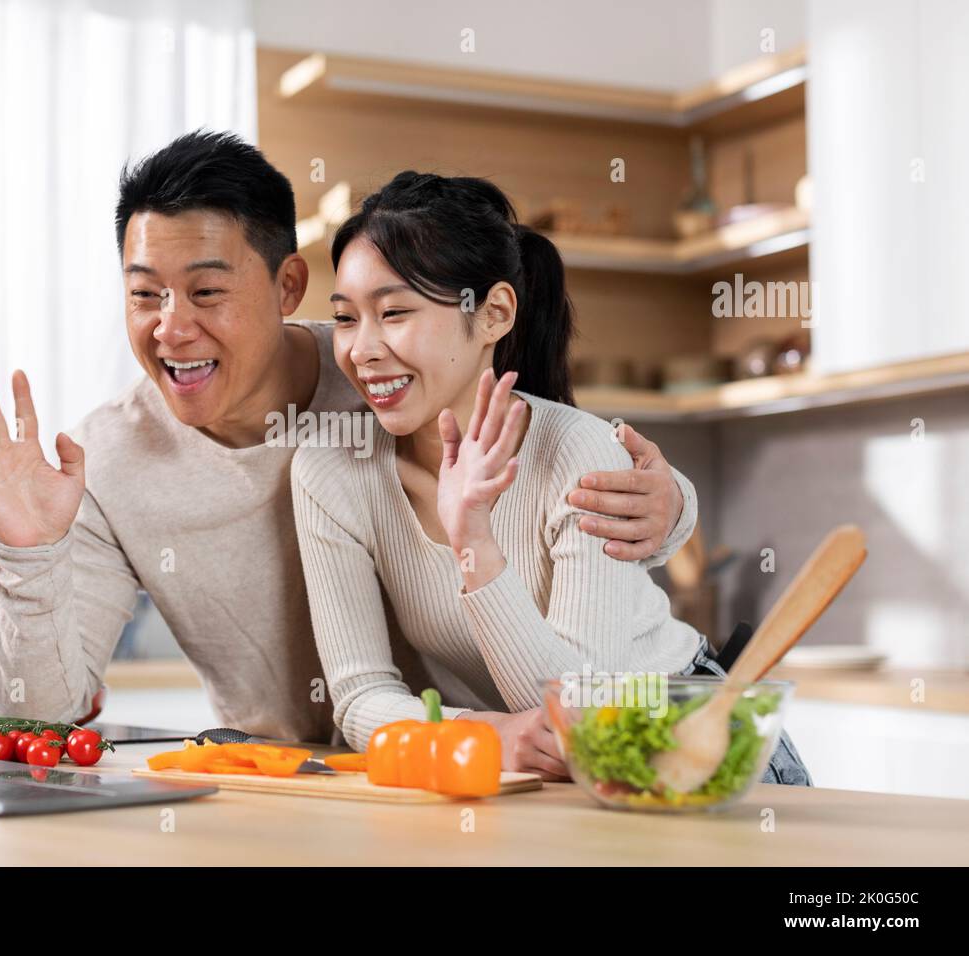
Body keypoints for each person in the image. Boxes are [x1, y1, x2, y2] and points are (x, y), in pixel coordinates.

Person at [0, 131, 700, 746]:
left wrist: (671, 512)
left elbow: (550, 453)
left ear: (287, 287)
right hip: (343, 770)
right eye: (144, 294)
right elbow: (37, 712)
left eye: (206, 291)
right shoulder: (111, 462)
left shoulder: (386, 384)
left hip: (496, 757)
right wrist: (28, 556)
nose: (171, 326)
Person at [291, 170, 812, 785]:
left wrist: (474, 543)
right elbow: (360, 697)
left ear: (494, 314)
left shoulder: (578, 451)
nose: (362, 349)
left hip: (696, 746)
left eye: (395, 312)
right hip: (550, 777)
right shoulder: (330, 471)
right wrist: (487, 735)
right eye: (346, 319)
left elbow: (579, 709)